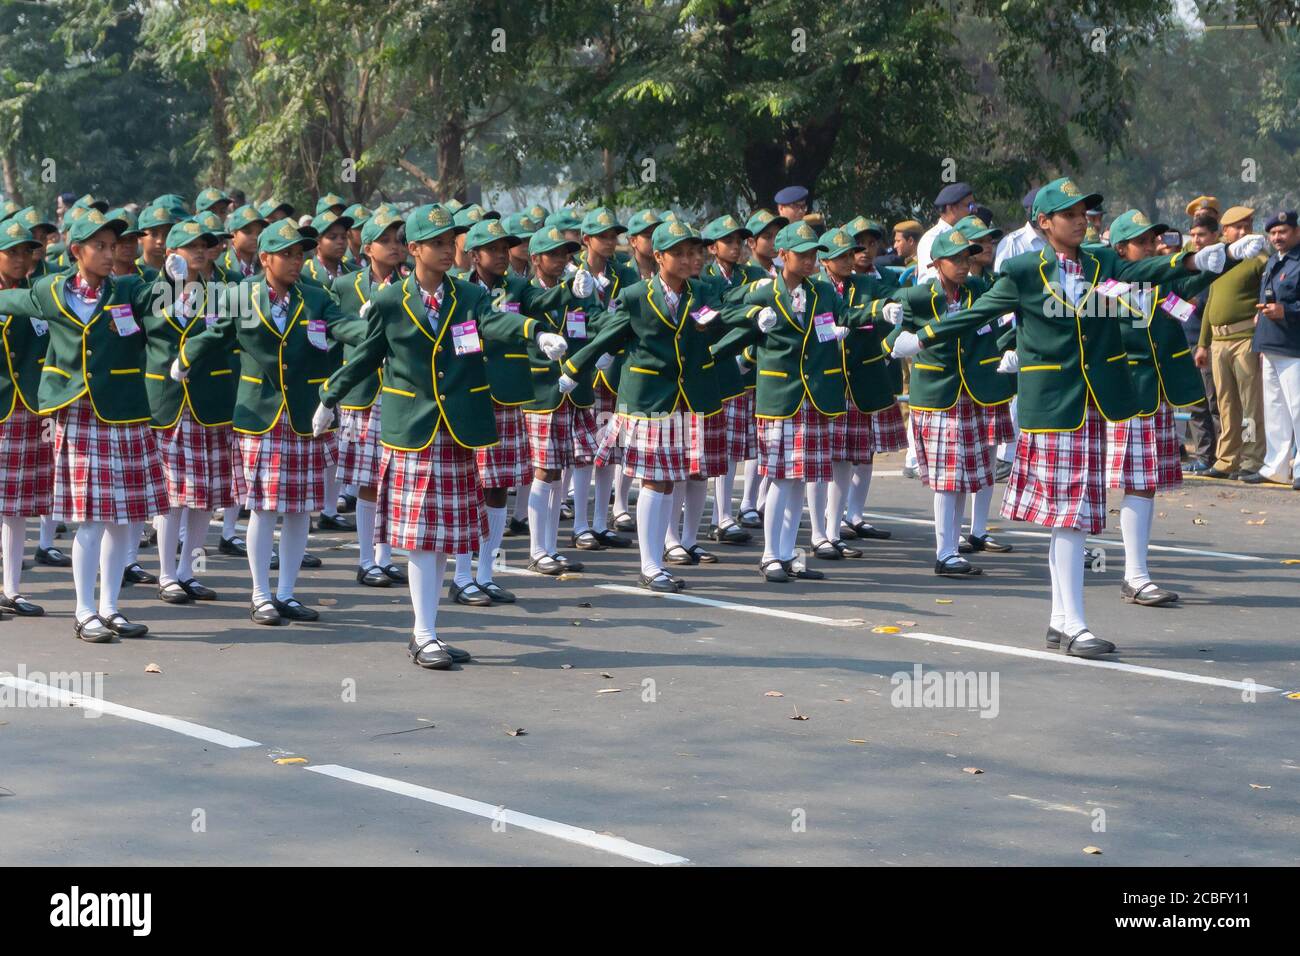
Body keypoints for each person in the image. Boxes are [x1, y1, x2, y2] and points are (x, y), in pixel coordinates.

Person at [888, 177, 1231, 658]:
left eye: (1084, 213)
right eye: (1068, 213)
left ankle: (1062, 620)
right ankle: (1073, 624)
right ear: (1044, 222)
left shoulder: (1101, 261)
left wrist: (1193, 260)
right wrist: (922, 338)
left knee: (1078, 512)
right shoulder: (1025, 269)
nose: (1079, 219)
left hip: (1095, 404)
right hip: (1052, 405)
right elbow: (981, 311)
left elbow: (1147, 270)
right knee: (1069, 514)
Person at [312, 203, 571, 670]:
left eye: (450, 241)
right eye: (435, 243)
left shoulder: (467, 296)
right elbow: (368, 355)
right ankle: (423, 632)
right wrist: (330, 397)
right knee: (420, 538)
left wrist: (534, 331)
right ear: (413, 250)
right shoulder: (391, 302)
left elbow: (493, 324)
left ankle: (430, 630)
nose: (448, 249)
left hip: (458, 431)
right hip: (412, 429)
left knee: (445, 537)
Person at [0, 209, 172, 642]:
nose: (109, 254)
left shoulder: (129, 288)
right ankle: (83, 611)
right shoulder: (51, 291)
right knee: (91, 519)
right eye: (99, 246)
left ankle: (111, 607)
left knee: (123, 518)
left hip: (125, 413)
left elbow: (163, 305)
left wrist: (175, 279)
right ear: (76, 251)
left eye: (113, 246)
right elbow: (11, 300)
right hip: (79, 416)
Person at [173, 219, 355, 626]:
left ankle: (287, 593)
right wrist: (186, 358)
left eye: (299, 253)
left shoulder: (315, 297)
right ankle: (260, 594)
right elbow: (219, 333)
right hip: (260, 414)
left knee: (300, 509)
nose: (295, 261)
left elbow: (342, 327)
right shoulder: (242, 294)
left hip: (306, 413)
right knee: (264, 507)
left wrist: (372, 328)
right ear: (266, 257)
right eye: (287, 254)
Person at [1103, 209, 1265, 605]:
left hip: (1154, 396)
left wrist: (1229, 256)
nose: (1152, 246)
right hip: (1124, 396)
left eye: (1152, 240)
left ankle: (1136, 574)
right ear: (1121, 248)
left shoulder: (1156, 281)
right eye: (1142, 242)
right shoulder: (1107, 285)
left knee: (1144, 485)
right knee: (1126, 486)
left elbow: (1192, 281)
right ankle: (1127, 574)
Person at [141, 218, 240, 606]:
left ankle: (189, 573)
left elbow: (232, 332)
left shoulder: (222, 293)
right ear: (172, 253)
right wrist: (168, 281)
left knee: (205, 495)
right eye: (191, 245)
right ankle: (166, 574)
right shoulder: (154, 293)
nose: (200, 250)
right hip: (168, 403)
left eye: (205, 244)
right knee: (172, 496)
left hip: (209, 402)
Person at [330, 209, 408, 588]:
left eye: (400, 240)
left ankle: (385, 555)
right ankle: (366, 558)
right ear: (369, 247)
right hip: (362, 393)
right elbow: (332, 332)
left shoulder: (409, 285)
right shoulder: (346, 286)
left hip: (399, 391)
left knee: (394, 478)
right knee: (367, 479)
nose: (395, 247)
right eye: (386, 240)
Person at [815, 226, 904, 556]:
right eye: (839, 256)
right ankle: (821, 531)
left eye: (849, 254)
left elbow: (894, 303)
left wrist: (884, 327)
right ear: (824, 260)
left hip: (858, 385)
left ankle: (835, 529)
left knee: (848, 460)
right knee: (817, 461)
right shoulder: (816, 288)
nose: (848, 260)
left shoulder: (865, 284)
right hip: (824, 384)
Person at [518, 225, 601, 575]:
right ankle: (537, 549)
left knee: (558, 472)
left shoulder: (578, 289)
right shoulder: (524, 291)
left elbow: (592, 322)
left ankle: (550, 546)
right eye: (552, 254)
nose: (560, 260)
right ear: (535, 259)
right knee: (543, 470)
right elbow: (529, 315)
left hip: (573, 390)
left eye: (565, 253)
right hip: (540, 390)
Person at [572, 207, 638, 551]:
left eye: (614, 235)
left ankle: (600, 521)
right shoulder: (574, 274)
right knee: (585, 452)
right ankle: (580, 523)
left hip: (612, 368)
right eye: (603, 236)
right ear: (586, 240)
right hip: (583, 370)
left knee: (610, 449)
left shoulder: (624, 275)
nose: (611, 242)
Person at [1195, 205, 1270, 480]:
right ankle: (1227, 458)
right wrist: (1203, 343)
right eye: (1237, 226)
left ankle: (1251, 458)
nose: (1244, 230)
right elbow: (1210, 302)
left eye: (1248, 224)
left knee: (1250, 405)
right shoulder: (1219, 259)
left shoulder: (1259, 258)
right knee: (1225, 404)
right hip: (1217, 341)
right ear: (1225, 230)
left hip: (1244, 340)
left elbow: (1270, 295)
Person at [0, 220, 51, 616]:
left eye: (26, 251)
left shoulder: (37, 295)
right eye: (12, 251)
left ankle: (12, 588)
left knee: (16, 506)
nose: (21, 258)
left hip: (25, 409)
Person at [700, 214, 756, 545]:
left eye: (739, 242)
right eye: (729, 242)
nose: (736, 248)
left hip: (735, 369)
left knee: (730, 446)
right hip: (708, 365)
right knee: (700, 446)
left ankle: (723, 514)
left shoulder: (750, 275)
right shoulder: (705, 278)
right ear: (712, 247)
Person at [1254, 210, 1300, 490]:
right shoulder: (1274, 260)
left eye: (1282, 231)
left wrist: (1288, 310)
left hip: (1294, 345)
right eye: (1272, 233)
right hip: (1270, 342)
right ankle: (1276, 466)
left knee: (1298, 409)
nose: (1277, 237)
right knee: (1274, 409)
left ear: (1296, 231)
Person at [1183, 211, 1223, 471]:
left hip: (1206, 341)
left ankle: (1223, 457)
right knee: (1195, 402)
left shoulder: (1219, 264)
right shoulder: (1190, 264)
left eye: (1202, 235)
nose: (1197, 240)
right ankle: (1203, 456)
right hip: (1184, 339)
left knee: (1214, 403)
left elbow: (1203, 305)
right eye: (1194, 235)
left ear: (1215, 235)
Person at [915, 182, 976, 284]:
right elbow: (930, 279)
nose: (974, 210)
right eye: (969, 205)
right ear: (951, 208)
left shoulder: (970, 234)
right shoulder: (932, 238)